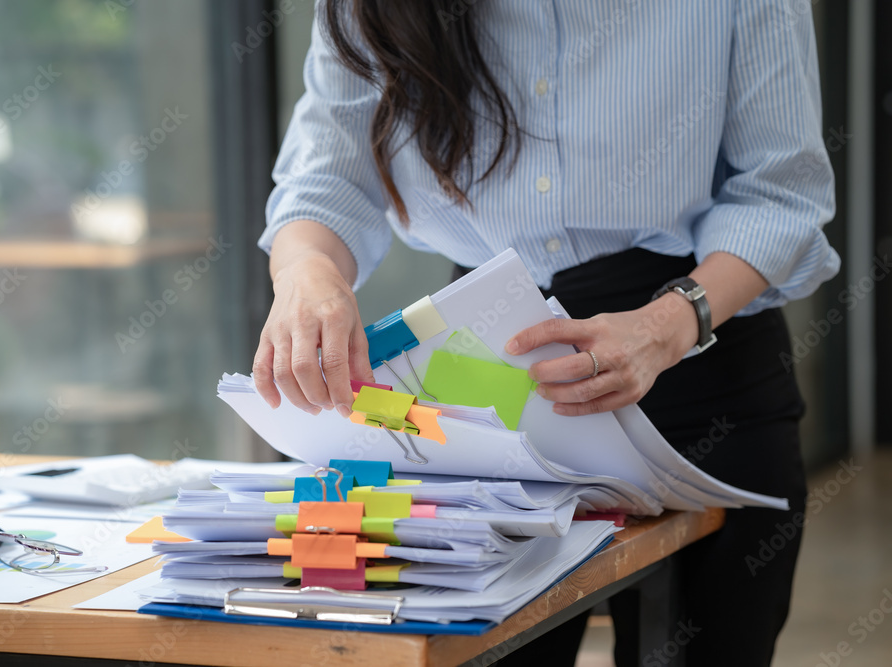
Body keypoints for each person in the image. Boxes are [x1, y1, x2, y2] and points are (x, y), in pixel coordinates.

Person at [253, 1, 838, 664]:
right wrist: (306, 273)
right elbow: (328, 178)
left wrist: (664, 325)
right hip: (484, 373)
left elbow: (782, 192)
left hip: (700, 349)